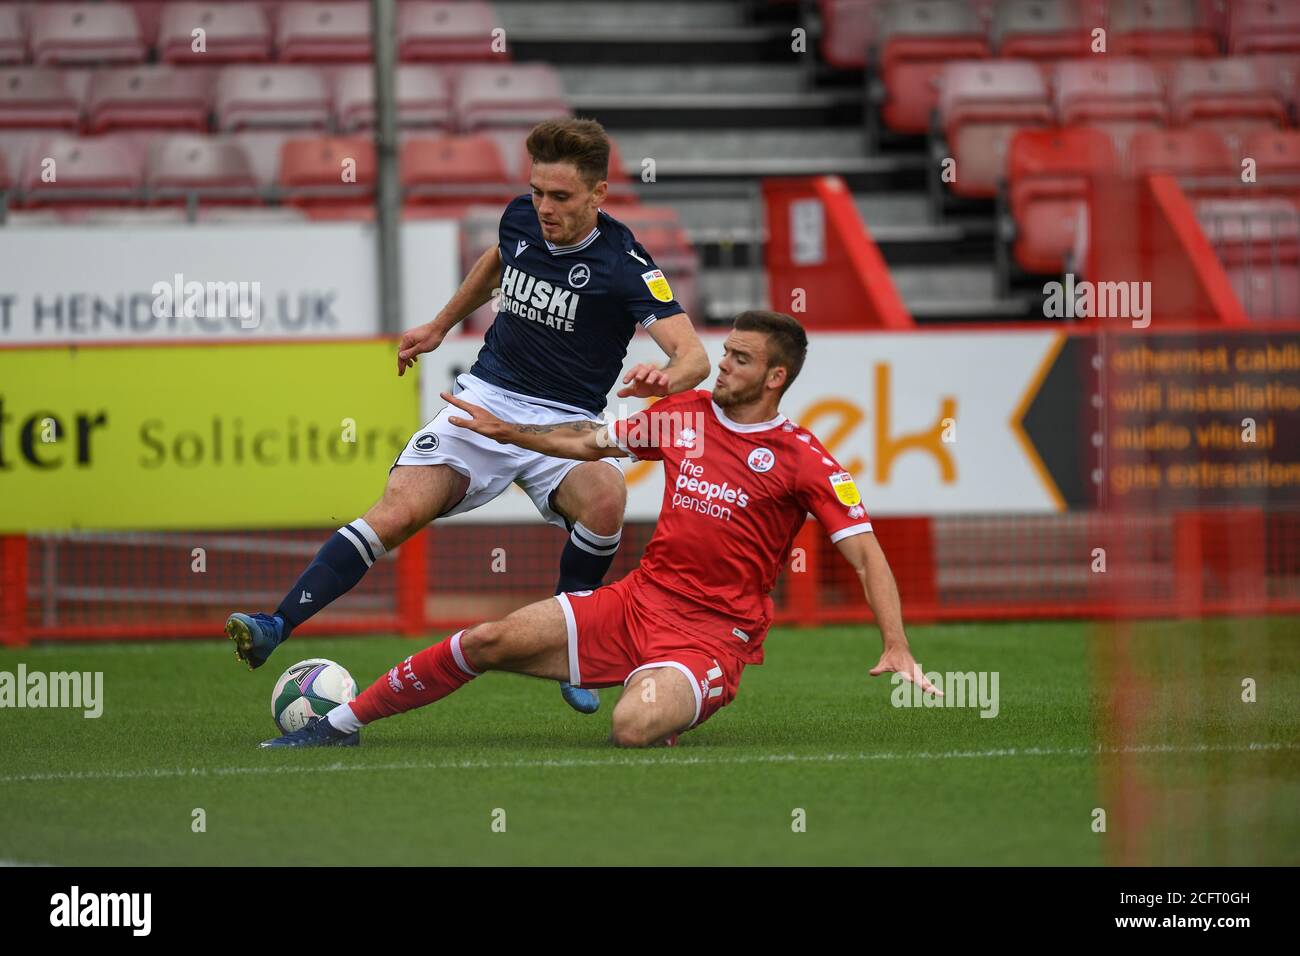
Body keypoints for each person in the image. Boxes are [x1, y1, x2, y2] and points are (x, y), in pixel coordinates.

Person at [260, 311, 939, 749]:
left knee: (631, 725)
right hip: (637, 601)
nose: (720, 364)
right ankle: (340, 725)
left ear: (775, 376)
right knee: (489, 637)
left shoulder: (803, 459)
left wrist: (897, 644)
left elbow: (867, 558)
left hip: (709, 636)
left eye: (737, 358)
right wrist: (506, 432)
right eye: (725, 351)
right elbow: (591, 444)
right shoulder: (684, 415)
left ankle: (672, 693)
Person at [224, 118, 709, 716]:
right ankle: (276, 623)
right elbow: (499, 261)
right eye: (536, 191)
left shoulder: (624, 264)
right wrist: (438, 325)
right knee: (396, 514)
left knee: (606, 499)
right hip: (485, 400)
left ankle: (569, 646)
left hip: (561, 425)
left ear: (598, 196)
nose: (543, 207)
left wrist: (665, 379)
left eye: (559, 197)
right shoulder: (521, 218)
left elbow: (694, 357)